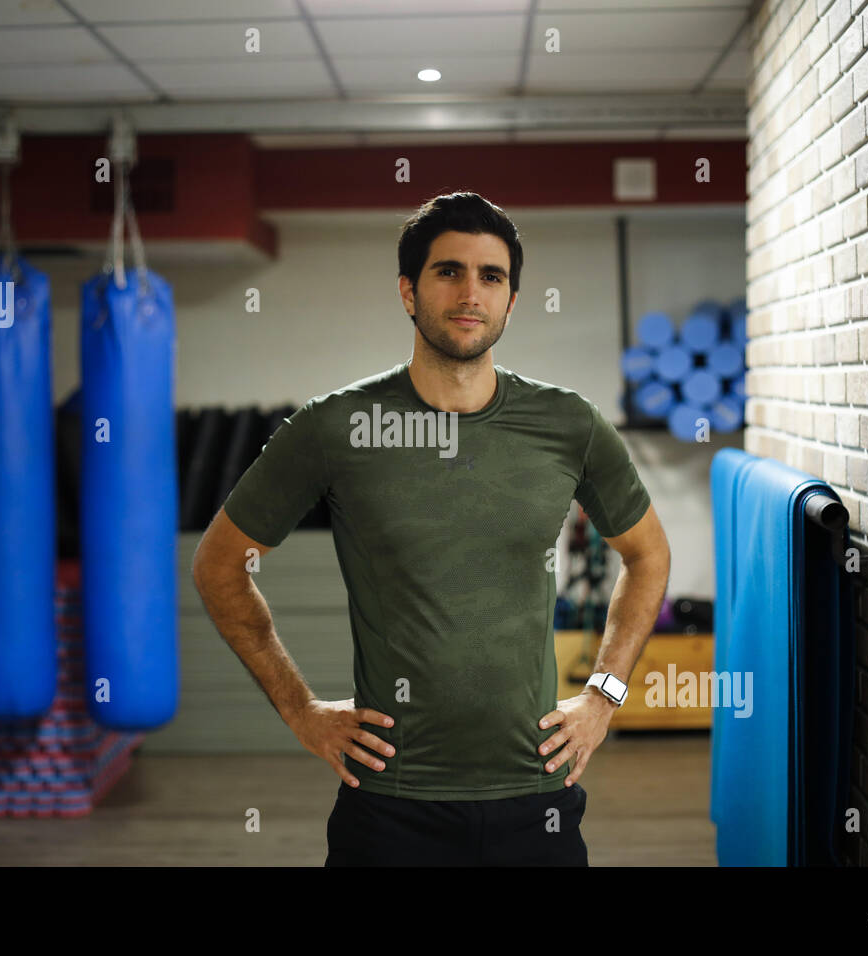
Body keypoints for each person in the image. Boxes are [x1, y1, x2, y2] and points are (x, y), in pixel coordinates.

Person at [192, 191, 671, 866]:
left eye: (491, 276)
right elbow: (218, 566)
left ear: (511, 300)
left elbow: (647, 555)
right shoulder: (335, 429)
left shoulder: (569, 426)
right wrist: (300, 710)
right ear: (408, 291)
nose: (470, 292)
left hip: (536, 796)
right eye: (448, 271)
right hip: (390, 806)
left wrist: (604, 694)